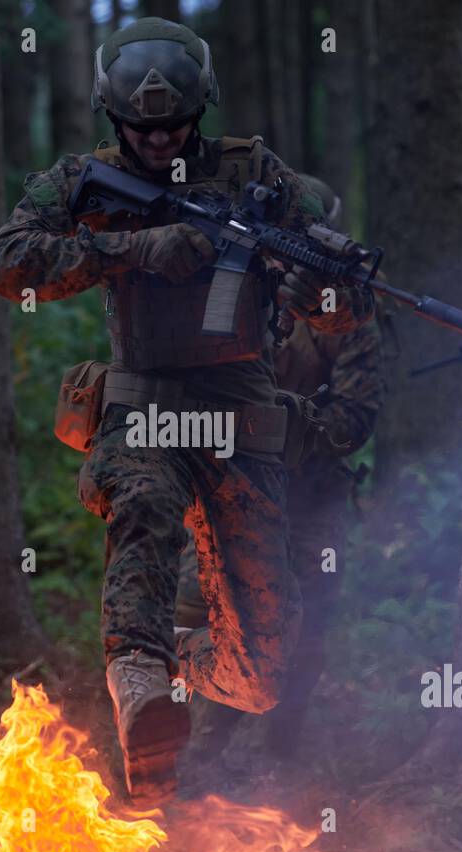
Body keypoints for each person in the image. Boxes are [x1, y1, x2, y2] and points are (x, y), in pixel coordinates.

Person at [0, 17, 375, 802]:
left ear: (204, 109)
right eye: (140, 127)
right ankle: (137, 675)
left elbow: (342, 310)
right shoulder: (82, 178)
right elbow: (7, 263)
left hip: (240, 420)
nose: (158, 140)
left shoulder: (253, 173)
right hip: (146, 405)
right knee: (143, 496)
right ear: (113, 118)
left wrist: (321, 293)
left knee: (263, 673)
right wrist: (130, 250)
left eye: (173, 125)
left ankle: (173, 664)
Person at [174, 173, 384, 761]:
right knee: (206, 609)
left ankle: (280, 753)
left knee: (307, 625)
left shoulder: (346, 304)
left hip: (311, 489)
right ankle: (196, 758)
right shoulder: (228, 280)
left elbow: (356, 415)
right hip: (228, 484)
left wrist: (285, 431)